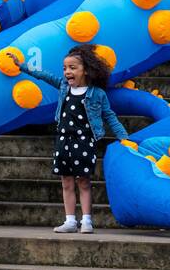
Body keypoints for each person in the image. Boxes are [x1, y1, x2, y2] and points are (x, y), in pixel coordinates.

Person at [18, 44, 129, 234]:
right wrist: (23, 66)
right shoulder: (63, 87)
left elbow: (109, 115)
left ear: (85, 70)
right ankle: (70, 220)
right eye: (65, 68)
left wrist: (124, 137)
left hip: (85, 141)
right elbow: (44, 75)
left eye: (72, 68)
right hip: (63, 140)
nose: (67, 72)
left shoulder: (97, 93)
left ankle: (87, 220)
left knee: (83, 181)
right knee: (66, 182)